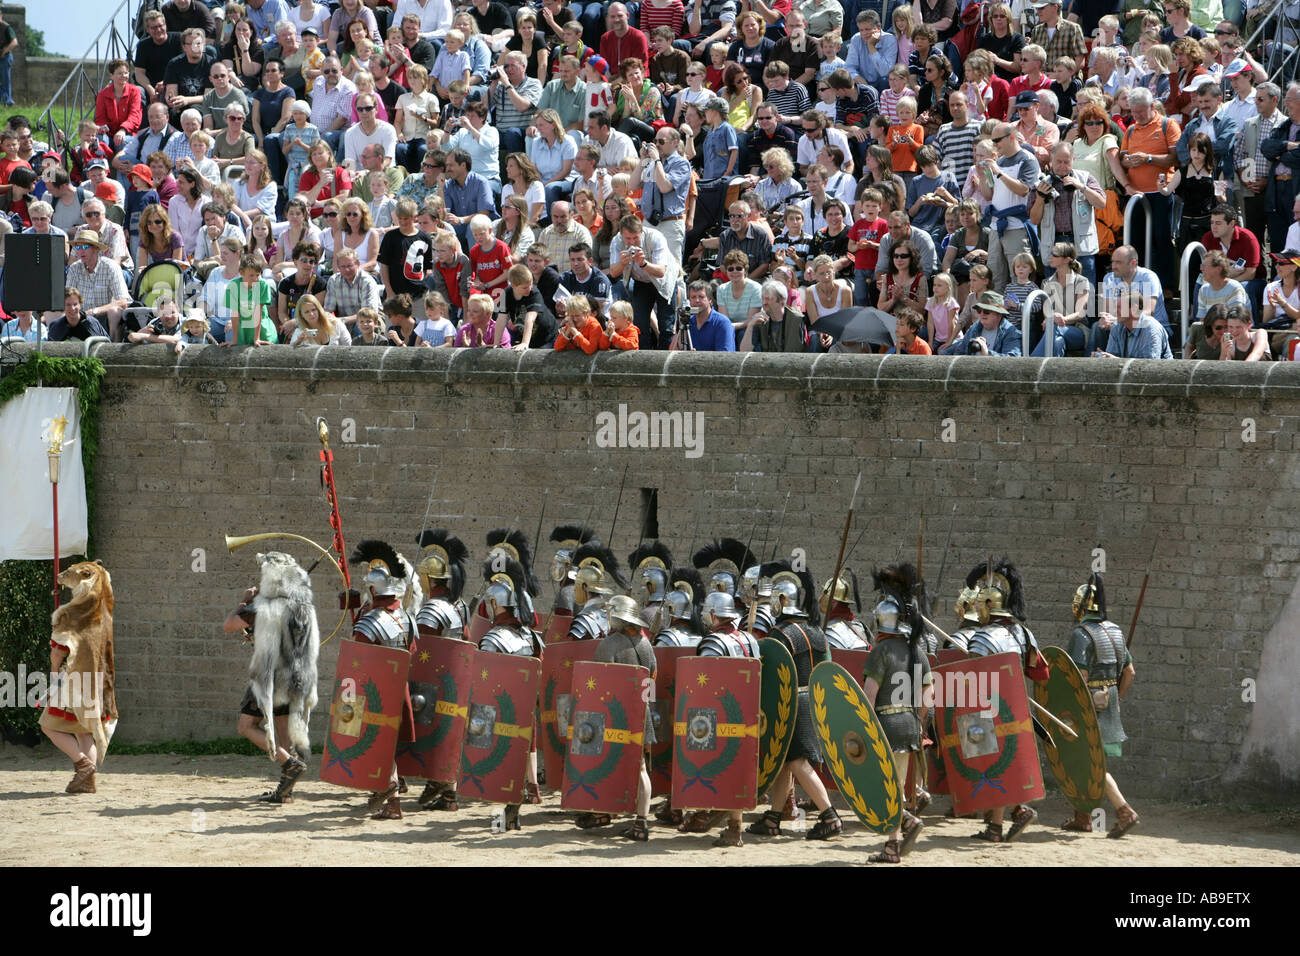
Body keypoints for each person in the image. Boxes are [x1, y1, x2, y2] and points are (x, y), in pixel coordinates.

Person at [964, 559, 1048, 843]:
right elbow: (1041, 672)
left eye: (979, 605)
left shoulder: (982, 638)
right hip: (1017, 708)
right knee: (1003, 764)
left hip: (990, 709)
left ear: (988, 604)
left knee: (994, 765)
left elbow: (971, 681)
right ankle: (1016, 811)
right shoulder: (1024, 633)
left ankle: (997, 826)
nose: (976, 610)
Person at [1064, 574, 1140, 838]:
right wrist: (1117, 699)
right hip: (1110, 705)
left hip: (1088, 706)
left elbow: (1080, 677)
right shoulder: (1117, 632)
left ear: (1080, 607)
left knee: (1091, 762)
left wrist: (1072, 708)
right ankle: (1083, 817)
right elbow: (1129, 672)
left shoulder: (1081, 635)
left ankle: (1124, 810)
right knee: (1090, 761)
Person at [63, 231, 130, 341]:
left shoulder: (111, 267)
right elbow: (67, 298)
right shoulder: (74, 268)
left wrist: (94, 311)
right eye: (78, 247)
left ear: (96, 248)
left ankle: (114, 350)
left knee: (115, 312)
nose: (80, 251)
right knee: (52, 313)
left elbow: (123, 301)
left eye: (85, 246)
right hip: (80, 317)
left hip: (104, 318)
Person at [1094, 289, 1174, 358]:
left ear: (1134, 309)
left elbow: (1150, 368)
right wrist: (1104, 358)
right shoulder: (1117, 326)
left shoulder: (1150, 329)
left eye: (1120, 307)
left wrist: (1116, 361)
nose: (1115, 311)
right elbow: (1113, 356)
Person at [941, 289, 1024, 354]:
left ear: (999, 314)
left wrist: (987, 353)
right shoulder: (975, 327)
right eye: (979, 311)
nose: (982, 314)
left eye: (987, 311)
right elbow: (960, 352)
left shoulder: (1011, 333)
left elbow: (1012, 361)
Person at [677, 280, 736, 350]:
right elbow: (680, 350)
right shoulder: (688, 322)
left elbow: (725, 355)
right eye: (693, 297)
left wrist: (697, 357)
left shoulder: (722, 322)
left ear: (710, 299)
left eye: (701, 297)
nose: (697, 300)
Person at [46, 288, 110, 342]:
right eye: (68, 305)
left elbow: (106, 345)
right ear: (62, 306)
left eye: (75, 304)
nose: (72, 308)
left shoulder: (91, 323)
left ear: (80, 305)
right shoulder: (56, 326)